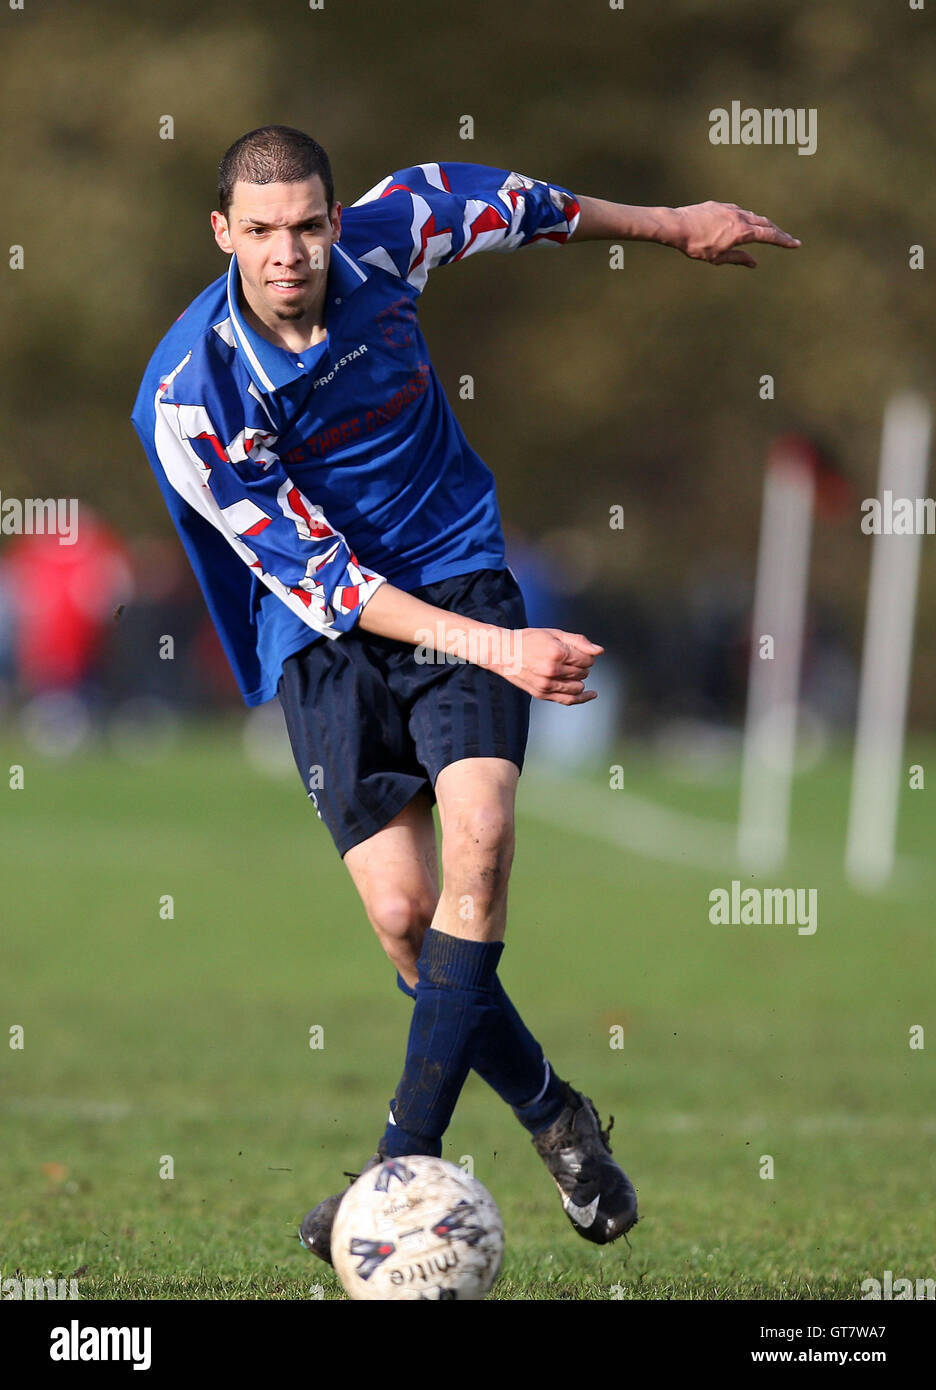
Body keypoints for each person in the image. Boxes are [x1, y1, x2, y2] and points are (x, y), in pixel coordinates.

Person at [131, 126, 799, 1265]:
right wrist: (502, 654)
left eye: (306, 224)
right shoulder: (192, 399)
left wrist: (674, 224)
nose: (287, 252)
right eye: (260, 231)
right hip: (322, 629)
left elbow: (526, 203)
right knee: (404, 918)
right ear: (222, 234)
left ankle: (395, 1173)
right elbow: (328, 582)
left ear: (336, 220)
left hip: (453, 564)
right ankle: (556, 1116)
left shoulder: (397, 233)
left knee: (479, 842)